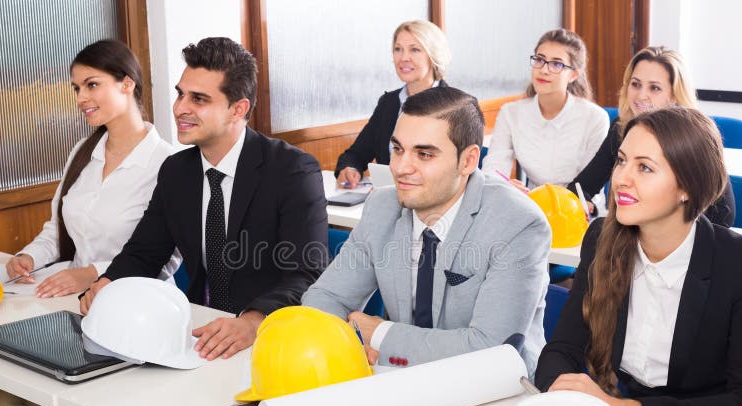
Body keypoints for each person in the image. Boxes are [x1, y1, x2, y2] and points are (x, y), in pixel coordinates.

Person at [534, 108, 742, 406]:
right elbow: (563, 348)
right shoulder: (601, 240)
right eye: (621, 161)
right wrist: (564, 393)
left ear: (687, 187)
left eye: (644, 168)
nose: (621, 179)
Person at [0, 39, 172, 406]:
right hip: (69, 304)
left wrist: (93, 273)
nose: (81, 98)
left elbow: (166, 258)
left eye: (92, 84)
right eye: (76, 88)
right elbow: (57, 230)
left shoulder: (166, 162)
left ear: (127, 84)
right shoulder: (84, 153)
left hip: (129, 308)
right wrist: (28, 256)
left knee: (40, 404)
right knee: (0, 404)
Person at [80, 37, 328, 363]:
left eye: (198, 99)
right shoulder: (176, 171)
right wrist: (108, 283)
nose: (180, 108)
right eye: (180, 94)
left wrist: (253, 321)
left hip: (270, 339)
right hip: (197, 333)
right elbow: (144, 253)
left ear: (238, 109)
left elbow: (307, 272)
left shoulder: (292, 170)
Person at [304, 87, 551, 378]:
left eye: (424, 154)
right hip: (399, 381)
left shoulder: (519, 223)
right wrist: (352, 342)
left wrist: (380, 334)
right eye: (398, 149)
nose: (400, 168)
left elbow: (490, 350)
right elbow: (323, 299)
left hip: (496, 392)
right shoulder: (381, 206)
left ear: (468, 161)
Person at [568, 46, 735, 225]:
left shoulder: (694, 138)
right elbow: (579, 188)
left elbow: (723, 214)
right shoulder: (621, 129)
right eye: (635, 84)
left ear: (675, 95)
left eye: (654, 88)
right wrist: (585, 205)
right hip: (631, 234)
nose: (641, 96)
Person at [481, 28, 608, 190]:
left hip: (579, 202)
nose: (544, 70)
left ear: (573, 75)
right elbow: (493, 169)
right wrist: (506, 187)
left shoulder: (595, 118)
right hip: (531, 200)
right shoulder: (510, 113)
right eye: (540, 60)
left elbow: (590, 186)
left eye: (556, 64)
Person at [335, 19, 451, 189]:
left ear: (434, 56)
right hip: (389, 200)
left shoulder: (457, 106)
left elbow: (454, 172)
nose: (403, 58)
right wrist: (350, 169)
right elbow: (356, 154)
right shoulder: (388, 103)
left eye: (415, 50)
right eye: (398, 49)